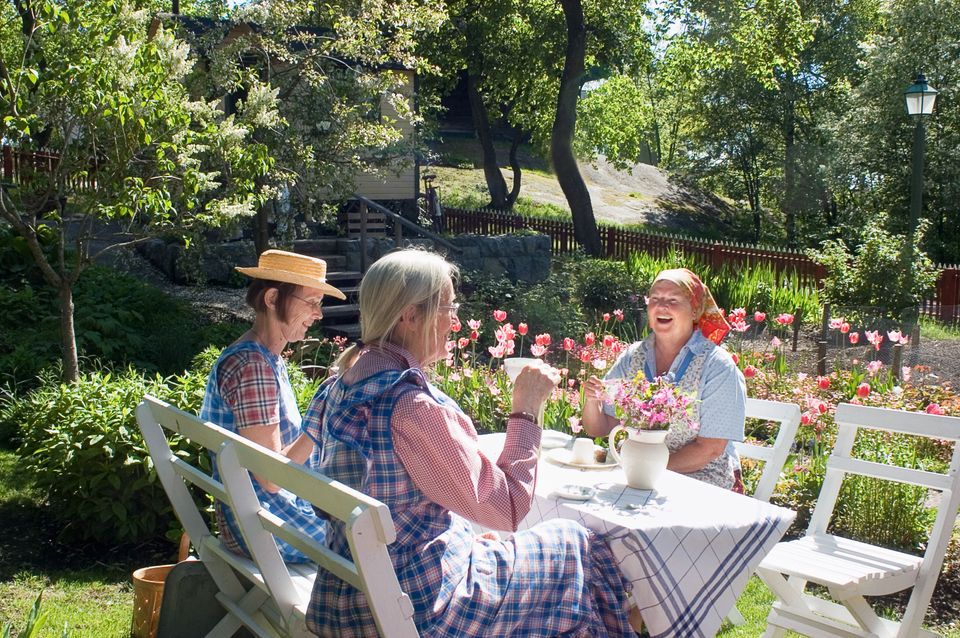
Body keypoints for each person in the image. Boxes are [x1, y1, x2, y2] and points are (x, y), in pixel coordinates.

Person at [302, 249, 637, 637]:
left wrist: (466, 535)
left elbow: (399, 502)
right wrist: (526, 410)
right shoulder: (411, 407)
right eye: (449, 306)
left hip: (347, 597)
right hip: (418, 609)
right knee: (575, 545)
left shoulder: (339, 384)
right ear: (410, 316)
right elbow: (508, 509)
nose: (457, 321)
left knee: (550, 551)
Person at [200, 249, 345, 563]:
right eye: (312, 302)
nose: (318, 314)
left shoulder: (260, 357)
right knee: (378, 545)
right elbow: (272, 479)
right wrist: (322, 415)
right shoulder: (253, 366)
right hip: (266, 529)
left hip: (253, 519)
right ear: (272, 298)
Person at [582, 267, 746, 491]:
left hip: (699, 479)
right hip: (635, 474)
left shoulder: (716, 365)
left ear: (695, 311)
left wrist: (646, 467)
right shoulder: (633, 357)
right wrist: (593, 401)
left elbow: (710, 449)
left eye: (673, 299)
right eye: (656, 298)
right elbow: (599, 428)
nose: (662, 306)